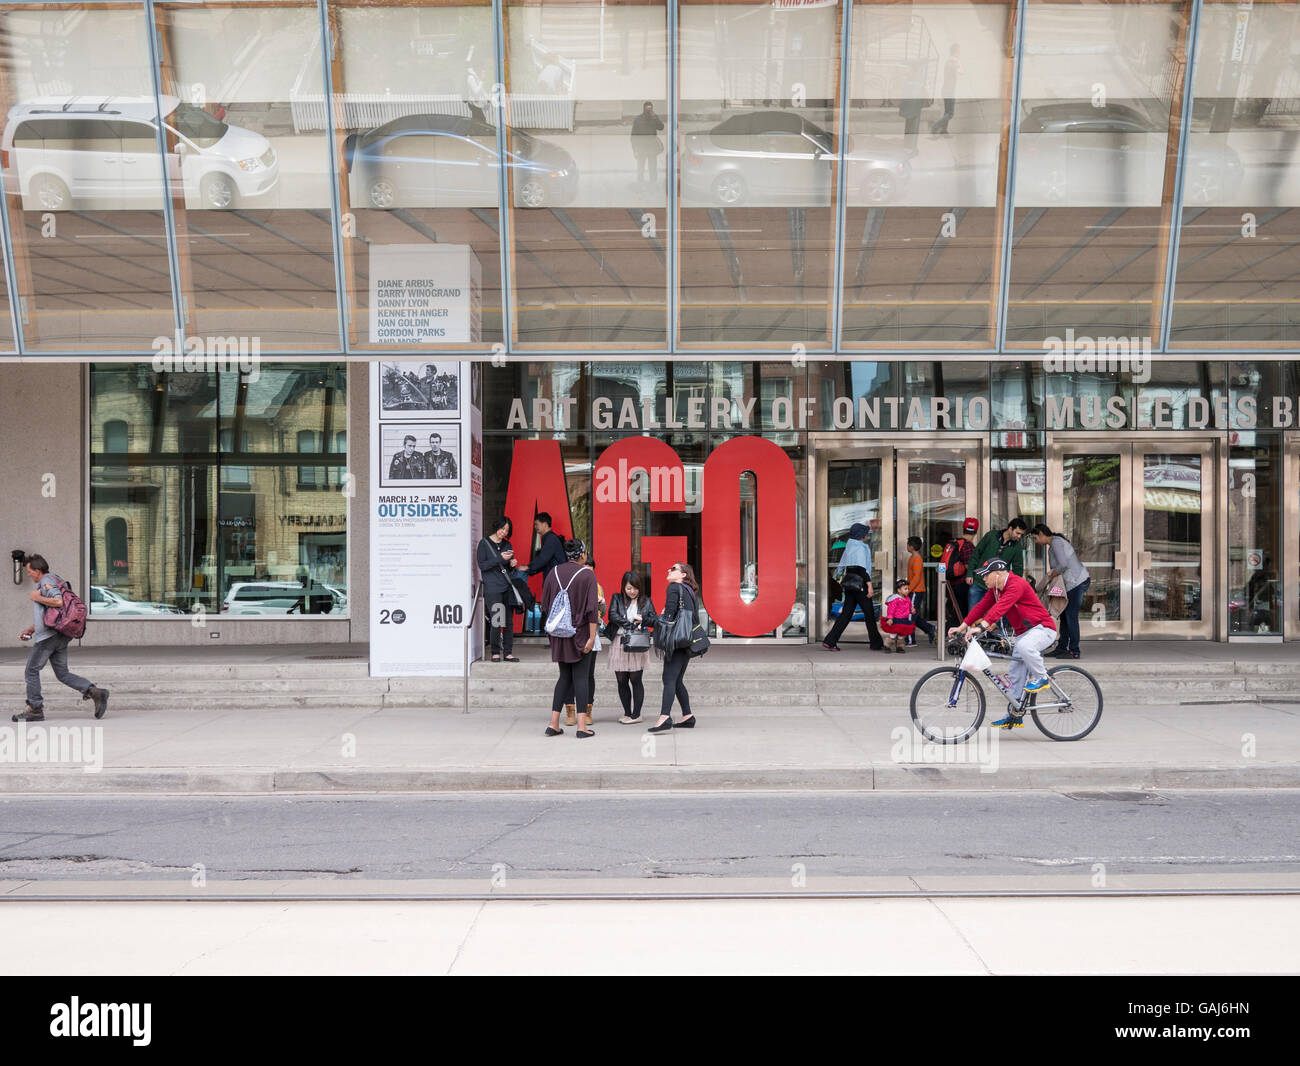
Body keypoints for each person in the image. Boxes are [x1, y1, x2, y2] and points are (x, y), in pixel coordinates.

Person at [949, 558, 1057, 729]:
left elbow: (1001, 608)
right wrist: (962, 626)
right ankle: (1014, 715)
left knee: (1024, 647)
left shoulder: (1016, 584)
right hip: (1025, 634)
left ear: (997, 574)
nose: (983, 580)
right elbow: (980, 607)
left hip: (1043, 629)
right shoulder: (996, 590)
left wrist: (981, 627)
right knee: (1015, 674)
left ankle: (1042, 677)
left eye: (986, 576)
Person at [14, 554, 108, 722]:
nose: (29, 575)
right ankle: (95, 692)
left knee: (31, 671)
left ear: (37, 570)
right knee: (62, 673)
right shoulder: (56, 578)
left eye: (29, 571)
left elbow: (58, 603)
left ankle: (35, 709)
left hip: (48, 638)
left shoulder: (46, 581)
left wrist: (36, 597)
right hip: (60, 635)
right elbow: (51, 613)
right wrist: (30, 629)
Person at [541, 539, 600, 739]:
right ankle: (582, 727)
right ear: (582, 554)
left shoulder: (553, 572)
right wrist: (592, 638)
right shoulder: (587, 575)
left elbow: (545, 605)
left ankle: (553, 724)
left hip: (559, 635)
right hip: (580, 634)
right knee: (581, 678)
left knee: (564, 677)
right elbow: (592, 611)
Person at [648, 561, 700, 733]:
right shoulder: (689, 591)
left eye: (673, 569)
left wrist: (649, 619)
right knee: (677, 680)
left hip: (676, 642)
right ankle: (687, 716)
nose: (668, 570)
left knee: (669, 679)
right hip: (687, 641)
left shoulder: (673, 588)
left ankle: (664, 717)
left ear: (683, 575)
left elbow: (669, 617)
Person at [607, 570, 659, 723]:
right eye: (629, 588)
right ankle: (627, 713)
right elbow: (612, 615)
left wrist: (642, 620)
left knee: (636, 679)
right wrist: (630, 624)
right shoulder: (616, 598)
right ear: (623, 586)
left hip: (637, 642)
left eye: (635, 588)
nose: (632, 591)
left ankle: (636, 714)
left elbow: (654, 619)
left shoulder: (646, 601)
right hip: (620, 641)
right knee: (621, 680)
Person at [1031, 523, 1090, 660]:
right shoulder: (1053, 545)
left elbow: (1063, 565)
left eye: (1035, 538)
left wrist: (1051, 575)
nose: (1036, 541)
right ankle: (1062, 647)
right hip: (1070, 584)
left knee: (1070, 616)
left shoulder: (1056, 542)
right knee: (1063, 615)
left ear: (1041, 534)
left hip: (1077, 583)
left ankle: (1074, 650)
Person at [823, 523, 884, 652]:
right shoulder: (861, 547)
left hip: (850, 585)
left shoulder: (849, 546)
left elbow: (842, 566)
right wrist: (869, 585)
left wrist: (839, 575)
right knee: (869, 614)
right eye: (865, 533)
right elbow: (861, 568)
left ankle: (830, 641)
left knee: (846, 614)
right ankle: (876, 643)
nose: (867, 535)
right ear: (861, 535)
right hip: (861, 585)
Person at [476, 516, 520, 663]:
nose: (504, 532)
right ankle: (495, 652)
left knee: (508, 621)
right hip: (493, 588)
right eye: (502, 529)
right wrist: (500, 558)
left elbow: (506, 569)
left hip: (506, 587)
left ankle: (508, 652)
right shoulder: (484, 543)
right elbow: (483, 566)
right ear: (497, 526)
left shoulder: (507, 544)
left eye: (507, 530)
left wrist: (512, 565)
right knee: (497, 620)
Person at [518, 512, 567, 633]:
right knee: (551, 606)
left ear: (545, 524)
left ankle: (551, 634)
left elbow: (543, 559)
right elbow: (545, 561)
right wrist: (531, 569)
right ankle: (550, 634)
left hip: (556, 580)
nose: (535, 527)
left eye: (537, 524)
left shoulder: (550, 539)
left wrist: (528, 567)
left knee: (551, 607)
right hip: (555, 579)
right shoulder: (548, 538)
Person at [968, 516, 1027, 612]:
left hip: (998, 587)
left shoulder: (1017, 547)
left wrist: (1011, 587)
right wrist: (970, 573)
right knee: (973, 614)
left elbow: (1018, 569)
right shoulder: (991, 536)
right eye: (1018, 533)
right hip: (978, 582)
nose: (1019, 536)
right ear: (1010, 528)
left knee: (994, 619)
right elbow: (976, 554)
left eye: (1021, 534)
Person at [904, 535, 937, 646]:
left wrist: (908, 590)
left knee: (910, 615)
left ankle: (910, 640)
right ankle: (929, 629)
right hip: (915, 590)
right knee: (914, 615)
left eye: (908, 544)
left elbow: (917, 578)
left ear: (912, 547)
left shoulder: (916, 559)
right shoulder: (913, 557)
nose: (907, 546)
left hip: (916, 591)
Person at [879, 579, 917, 653]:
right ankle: (887, 645)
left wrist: (912, 610)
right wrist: (890, 618)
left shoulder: (908, 599)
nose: (907, 590)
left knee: (901, 635)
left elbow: (910, 608)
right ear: (899, 590)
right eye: (905, 589)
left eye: (908, 589)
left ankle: (900, 647)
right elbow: (891, 609)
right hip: (896, 619)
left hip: (904, 620)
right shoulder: (895, 599)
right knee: (893, 634)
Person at [630, 101, 664, 184]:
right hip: (641, 146)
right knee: (641, 166)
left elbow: (661, 127)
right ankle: (640, 181)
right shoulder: (638, 119)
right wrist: (634, 150)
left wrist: (655, 118)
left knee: (652, 166)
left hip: (652, 146)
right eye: (647, 108)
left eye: (650, 108)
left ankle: (653, 181)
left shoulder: (654, 118)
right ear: (644, 108)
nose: (649, 110)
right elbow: (633, 135)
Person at [930, 45, 960, 135]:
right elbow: (956, 73)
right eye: (958, 51)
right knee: (950, 114)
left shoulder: (949, 61)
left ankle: (944, 130)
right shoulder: (953, 61)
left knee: (947, 112)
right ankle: (935, 126)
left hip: (946, 89)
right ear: (955, 52)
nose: (959, 53)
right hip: (950, 90)